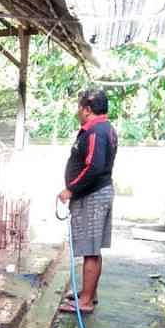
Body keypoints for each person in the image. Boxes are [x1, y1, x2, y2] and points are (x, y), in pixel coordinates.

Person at [57, 89, 118, 314]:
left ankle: (85, 303)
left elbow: (93, 167)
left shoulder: (95, 132)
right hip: (97, 193)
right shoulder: (103, 128)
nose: (77, 111)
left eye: (79, 107)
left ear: (87, 109)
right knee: (93, 249)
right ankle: (88, 293)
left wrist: (70, 189)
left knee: (90, 250)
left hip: (92, 196)